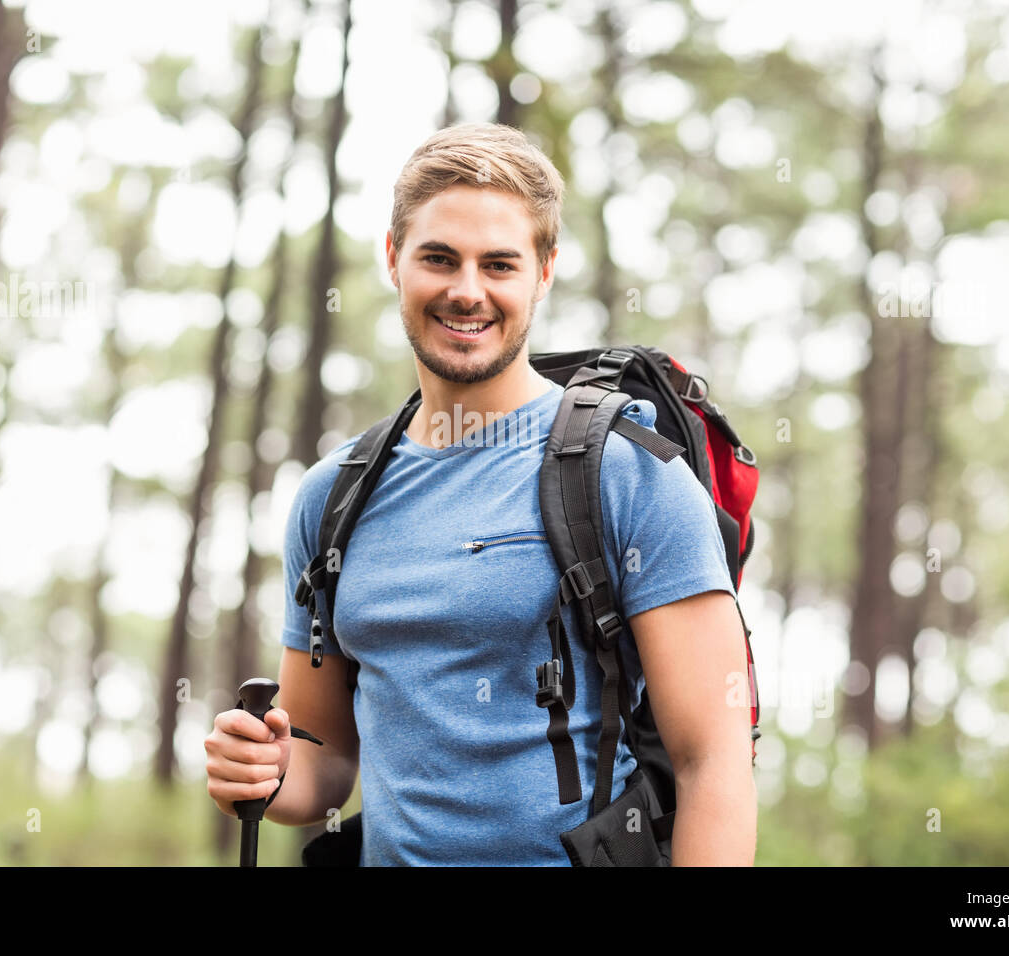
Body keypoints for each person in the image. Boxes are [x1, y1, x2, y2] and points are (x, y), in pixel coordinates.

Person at [205, 122, 756, 866]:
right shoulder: (331, 498)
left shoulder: (629, 473)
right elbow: (325, 759)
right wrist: (267, 772)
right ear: (394, 257)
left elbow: (712, 762)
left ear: (544, 271)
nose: (468, 291)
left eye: (499, 263)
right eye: (439, 258)